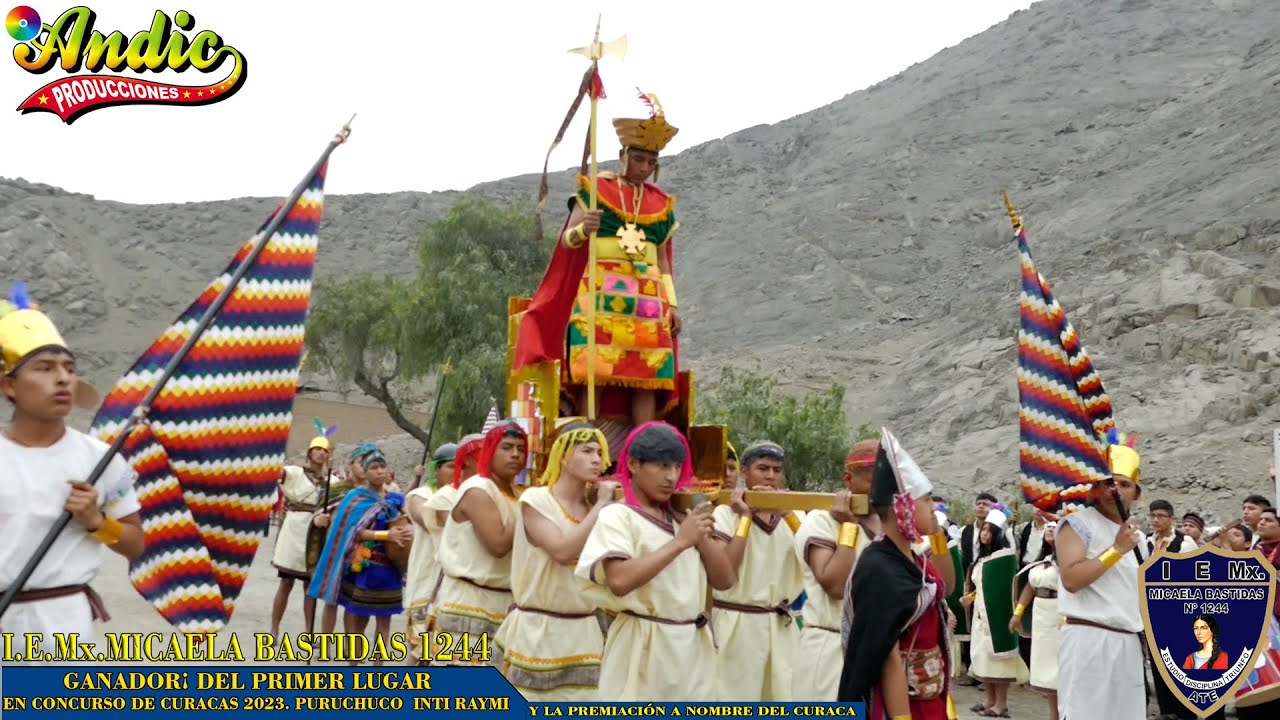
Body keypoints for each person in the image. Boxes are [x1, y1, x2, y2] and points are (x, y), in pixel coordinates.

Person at [513, 92, 682, 428]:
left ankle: (642, 445)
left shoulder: (660, 202)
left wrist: (673, 305)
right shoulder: (594, 188)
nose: (644, 167)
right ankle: (587, 437)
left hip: (648, 297)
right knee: (599, 367)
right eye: (638, 159)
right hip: (601, 289)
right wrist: (583, 229)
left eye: (651, 162)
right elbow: (568, 240)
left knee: (647, 373)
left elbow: (662, 260)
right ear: (623, 155)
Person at [0, 289, 144, 658]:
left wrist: (97, 521)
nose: (63, 378)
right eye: (45, 368)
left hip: (67, 631)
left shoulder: (102, 459)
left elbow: (135, 544)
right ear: (9, 386)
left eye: (69, 368)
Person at [575, 421, 737, 701]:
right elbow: (619, 580)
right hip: (642, 647)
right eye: (662, 466)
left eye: (676, 467)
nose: (671, 477)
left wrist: (699, 538)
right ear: (635, 464)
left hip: (691, 648)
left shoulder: (682, 518)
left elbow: (725, 580)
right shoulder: (618, 516)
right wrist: (680, 542)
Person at [495, 421, 619, 699]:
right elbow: (563, 552)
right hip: (538, 631)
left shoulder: (593, 508)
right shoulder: (536, 500)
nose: (597, 460)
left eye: (600, 453)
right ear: (562, 455)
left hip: (585, 633)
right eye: (587, 451)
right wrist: (601, 507)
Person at [837, 428, 955, 719]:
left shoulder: (915, 560)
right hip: (902, 706)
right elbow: (887, 656)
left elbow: (948, 586)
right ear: (903, 507)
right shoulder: (879, 567)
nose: (933, 507)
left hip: (933, 701)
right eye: (926, 500)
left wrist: (936, 531)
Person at [1055, 431, 1148, 720]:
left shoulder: (1139, 539)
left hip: (1129, 643)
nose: (1115, 491)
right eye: (1108, 483)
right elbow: (1071, 579)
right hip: (1089, 640)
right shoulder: (1078, 524)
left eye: (1123, 484)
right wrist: (1116, 549)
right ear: (1096, 486)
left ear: (1136, 492)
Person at [711, 440, 803, 701]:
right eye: (763, 468)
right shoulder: (724, 513)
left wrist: (788, 514)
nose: (771, 476)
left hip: (780, 626)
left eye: (776, 470)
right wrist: (745, 519)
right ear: (745, 473)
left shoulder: (793, 515)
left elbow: (813, 562)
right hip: (736, 625)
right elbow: (724, 572)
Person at [433, 422, 528, 665]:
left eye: (520, 448)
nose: (515, 454)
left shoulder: (517, 494)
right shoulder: (478, 489)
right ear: (490, 451)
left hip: (503, 603)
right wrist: (531, 507)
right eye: (506, 447)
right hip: (470, 602)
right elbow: (497, 545)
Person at [307, 445, 410, 664]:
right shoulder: (356, 497)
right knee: (359, 622)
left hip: (390, 571)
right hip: (366, 568)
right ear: (365, 471)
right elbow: (352, 531)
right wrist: (386, 536)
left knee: (385, 623)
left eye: (383, 466)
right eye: (374, 467)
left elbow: (408, 524)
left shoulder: (396, 500)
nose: (379, 471)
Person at [793, 439, 879, 700]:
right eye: (872, 480)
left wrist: (932, 534)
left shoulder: (893, 525)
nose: (881, 489)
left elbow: (945, 583)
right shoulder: (820, 520)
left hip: (879, 651)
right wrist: (849, 528)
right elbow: (836, 587)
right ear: (848, 479)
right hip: (830, 649)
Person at [269, 426, 339, 639]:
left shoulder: (333, 482)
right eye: (317, 449)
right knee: (286, 582)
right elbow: (277, 473)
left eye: (325, 450)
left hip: (316, 534)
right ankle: (274, 628)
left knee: (310, 587)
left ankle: (309, 632)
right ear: (309, 453)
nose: (321, 453)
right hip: (294, 530)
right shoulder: (295, 473)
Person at [961, 510, 1027, 717]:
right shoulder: (982, 559)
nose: (985, 534)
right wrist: (969, 598)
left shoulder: (1004, 559)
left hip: (997, 618)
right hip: (981, 618)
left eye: (990, 531)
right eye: (983, 530)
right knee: (983, 659)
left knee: (999, 663)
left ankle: (1001, 704)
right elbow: (981, 588)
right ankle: (989, 700)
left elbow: (1002, 591)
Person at [403, 442, 456, 665]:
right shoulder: (420, 495)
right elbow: (426, 518)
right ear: (437, 469)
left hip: (451, 588)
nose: (457, 472)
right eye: (451, 467)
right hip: (425, 583)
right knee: (419, 652)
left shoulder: (465, 496)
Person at [1010, 522, 1060, 720]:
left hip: (1059, 616)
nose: (1050, 529)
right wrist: (1018, 613)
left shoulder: (1069, 561)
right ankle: (1054, 715)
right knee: (1046, 668)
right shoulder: (1043, 561)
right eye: (1048, 526)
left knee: (1060, 668)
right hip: (1041, 616)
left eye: (1056, 526)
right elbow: (1030, 587)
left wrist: (1067, 617)